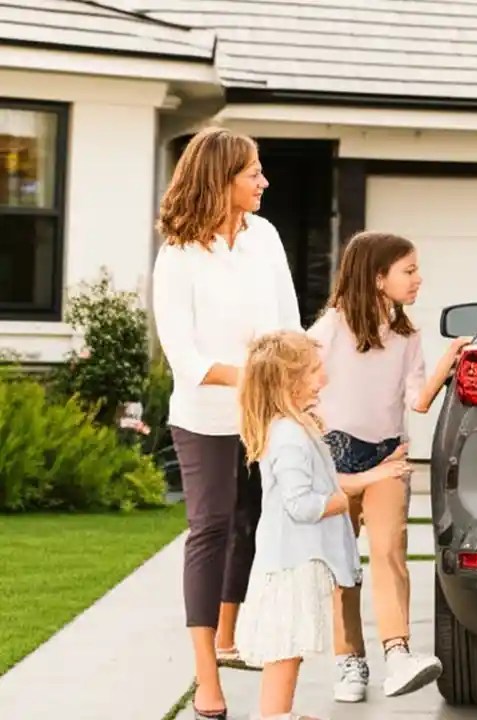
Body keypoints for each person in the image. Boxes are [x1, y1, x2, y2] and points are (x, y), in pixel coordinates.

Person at [152, 127, 302, 719]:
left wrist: (296, 385)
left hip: (266, 415)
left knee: (254, 524)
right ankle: (206, 679)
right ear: (221, 179)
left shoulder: (264, 238)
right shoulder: (179, 255)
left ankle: (228, 636)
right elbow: (183, 358)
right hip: (205, 416)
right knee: (211, 527)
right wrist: (254, 378)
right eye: (253, 173)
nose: (263, 182)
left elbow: (288, 324)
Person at [307, 231, 470, 702]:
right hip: (335, 456)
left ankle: (397, 653)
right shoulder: (328, 331)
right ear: (379, 278)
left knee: (389, 553)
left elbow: (417, 401)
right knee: (342, 564)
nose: (419, 279)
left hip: (387, 454)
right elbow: (299, 390)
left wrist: (449, 359)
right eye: (409, 270)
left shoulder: (408, 336)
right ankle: (349, 661)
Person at [233, 330, 362, 720]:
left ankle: (280, 714)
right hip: (288, 568)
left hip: (292, 563)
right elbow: (300, 504)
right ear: (288, 382)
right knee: (285, 650)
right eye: (314, 371)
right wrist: (340, 502)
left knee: (289, 652)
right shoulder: (288, 434)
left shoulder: (295, 427)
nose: (323, 378)